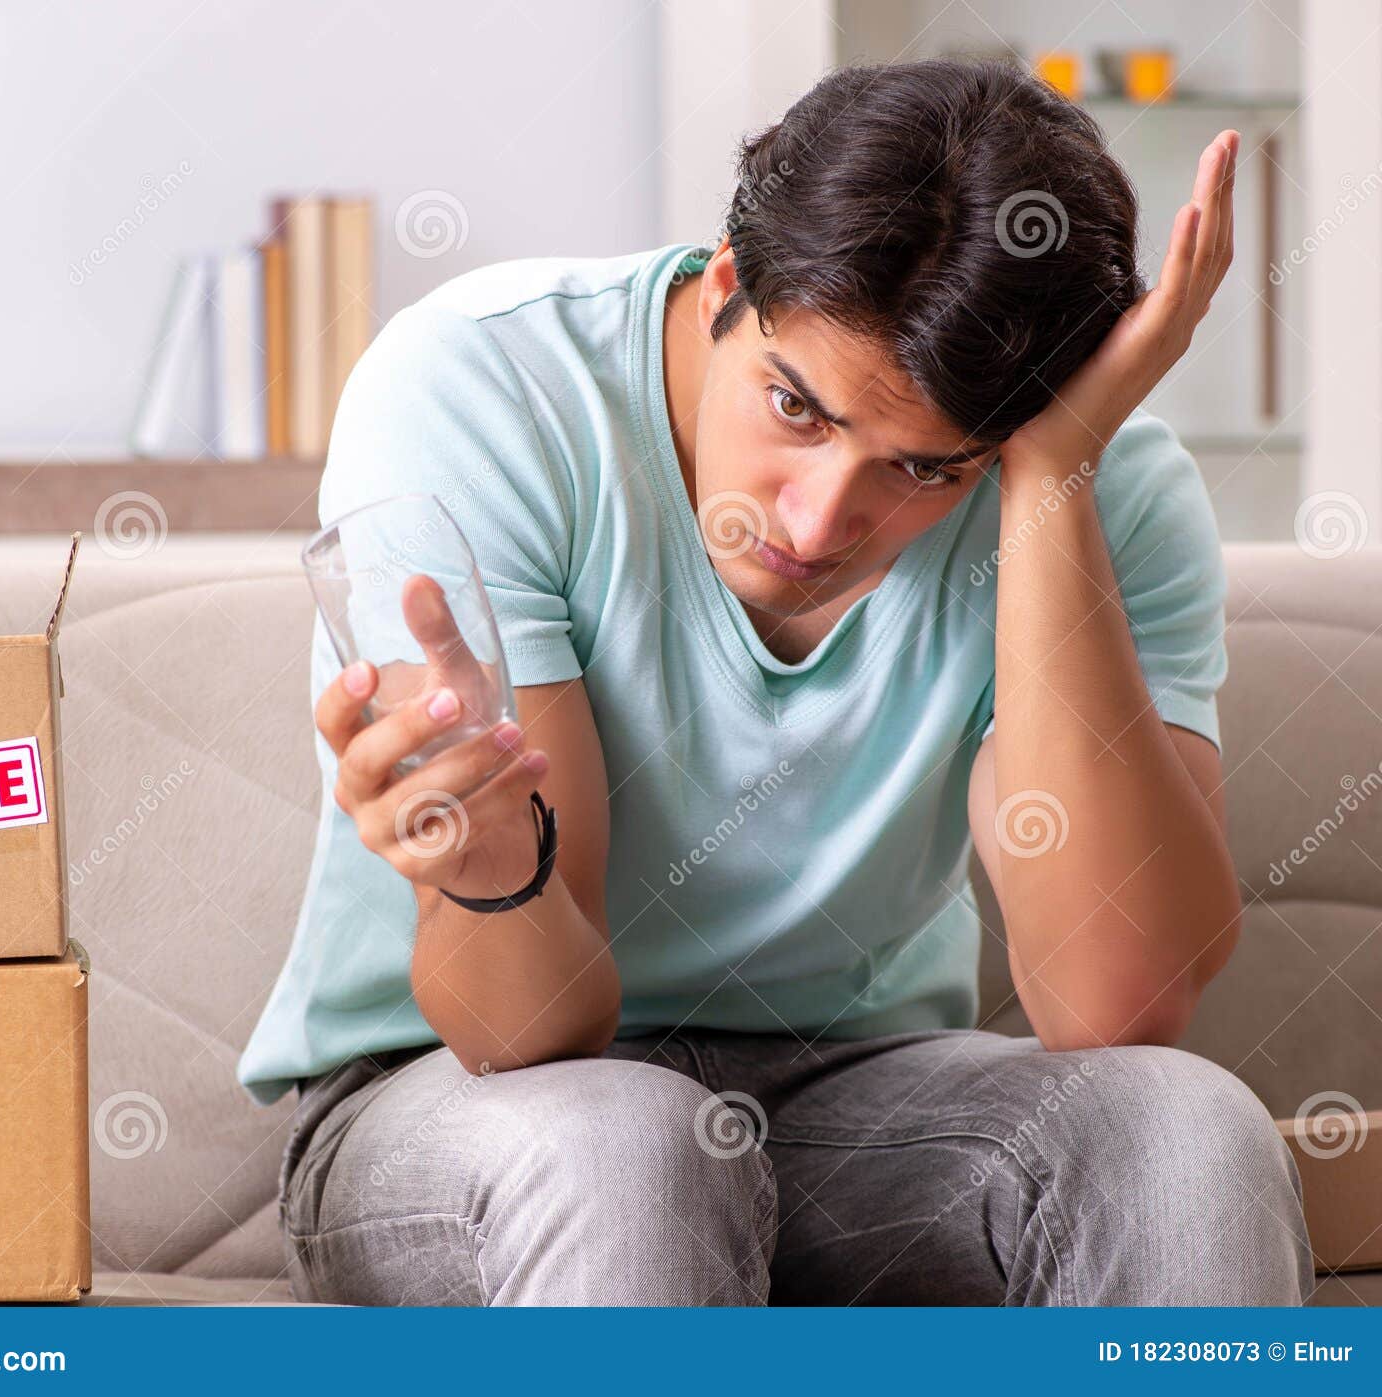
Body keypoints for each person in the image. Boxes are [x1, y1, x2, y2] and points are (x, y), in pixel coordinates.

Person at [240, 59, 1313, 1306]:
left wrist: (1050, 482)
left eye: (926, 469)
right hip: (464, 1097)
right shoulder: (484, 393)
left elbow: (1114, 1001)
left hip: (853, 1095)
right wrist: (492, 875)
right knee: (621, 1148)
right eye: (796, 407)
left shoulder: (1101, 484)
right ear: (727, 286)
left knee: (1183, 1129)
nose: (819, 521)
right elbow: (529, 1033)